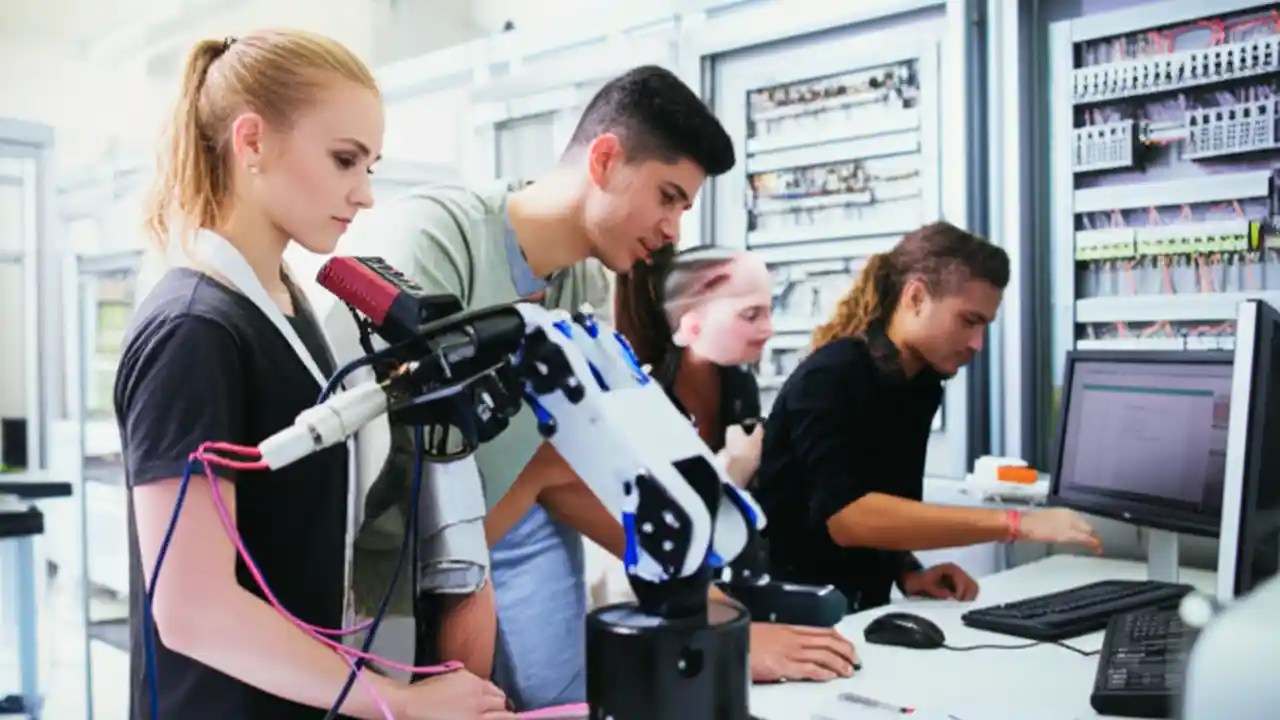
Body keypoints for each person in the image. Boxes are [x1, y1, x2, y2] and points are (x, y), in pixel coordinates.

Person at [116, 30, 513, 720]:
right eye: (344, 161)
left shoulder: (287, 303)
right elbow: (190, 608)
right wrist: (395, 704)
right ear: (252, 143)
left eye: (370, 166)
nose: (363, 195)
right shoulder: (193, 330)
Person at [753, 221, 1104, 615]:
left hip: (858, 609)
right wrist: (1015, 523)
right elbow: (848, 517)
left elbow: (882, 497)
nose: (977, 344)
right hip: (792, 616)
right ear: (916, 297)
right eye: (968, 321)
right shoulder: (833, 374)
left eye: (984, 326)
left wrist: (906, 571)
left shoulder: (920, 383)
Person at [611, 244, 861, 683]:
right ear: (692, 324)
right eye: (750, 315)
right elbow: (645, 541)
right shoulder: (640, 402)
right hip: (662, 621)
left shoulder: (739, 388)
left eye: (768, 312)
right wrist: (729, 471)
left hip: (730, 595)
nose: (768, 330)